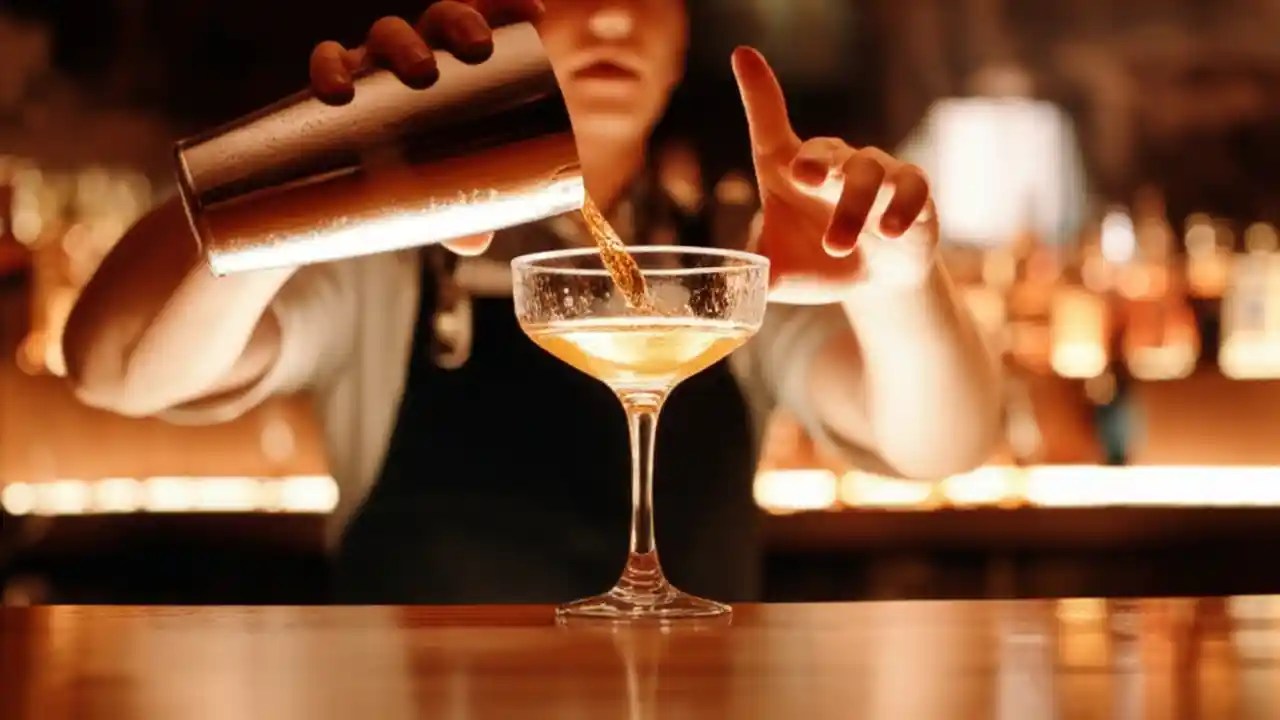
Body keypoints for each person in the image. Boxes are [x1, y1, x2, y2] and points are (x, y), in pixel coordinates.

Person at [63, 0, 1000, 603]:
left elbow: (940, 446)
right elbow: (113, 368)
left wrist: (896, 288)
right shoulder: (384, 260)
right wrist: (319, 177)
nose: (612, 18)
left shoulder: (732, 258)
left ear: (683, 42)